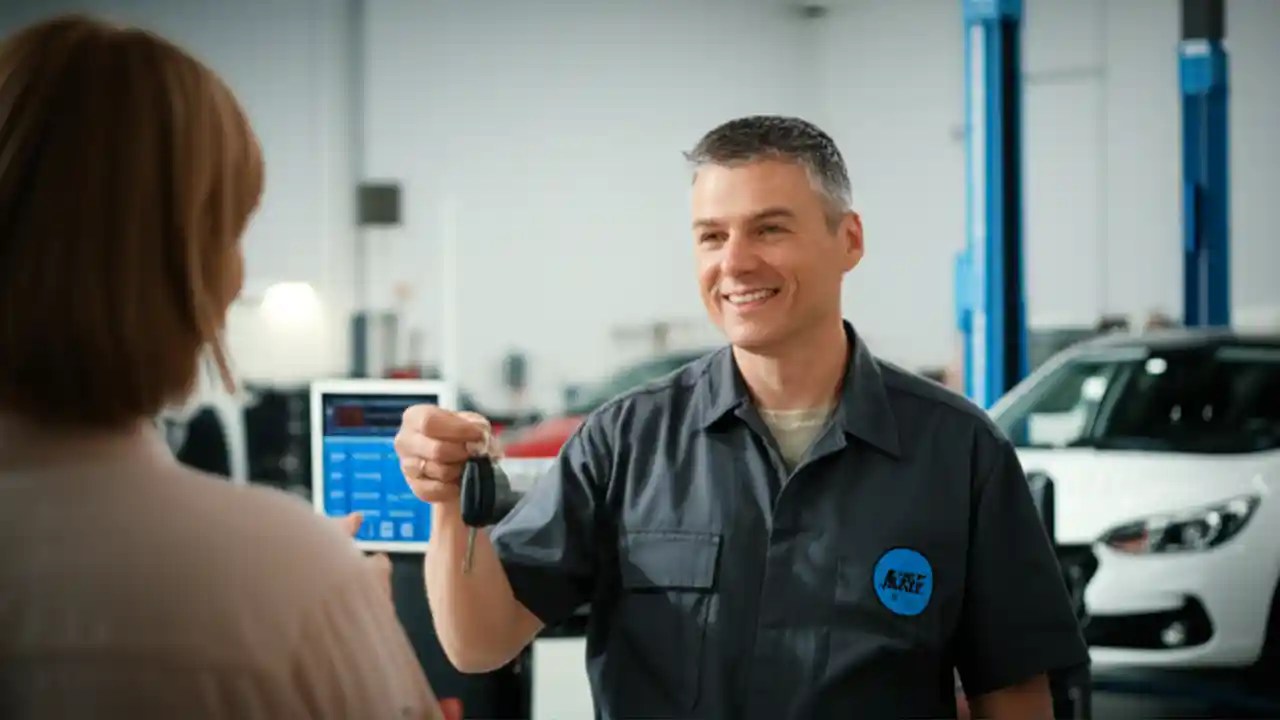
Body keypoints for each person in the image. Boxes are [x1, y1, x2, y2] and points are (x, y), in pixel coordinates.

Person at [395, 116, 1090, 718]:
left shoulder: (960, 453)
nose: (734, 262)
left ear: (848, 240)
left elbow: (1016, 692)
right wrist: (448, 503)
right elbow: (479, 642)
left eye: (769, 228)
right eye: (711, 236)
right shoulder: (625, 443)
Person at [0, 15, 449, 719]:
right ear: (174, 265)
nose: (238, 279)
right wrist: (333, 603)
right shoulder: (288, 577)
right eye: (231, 232)